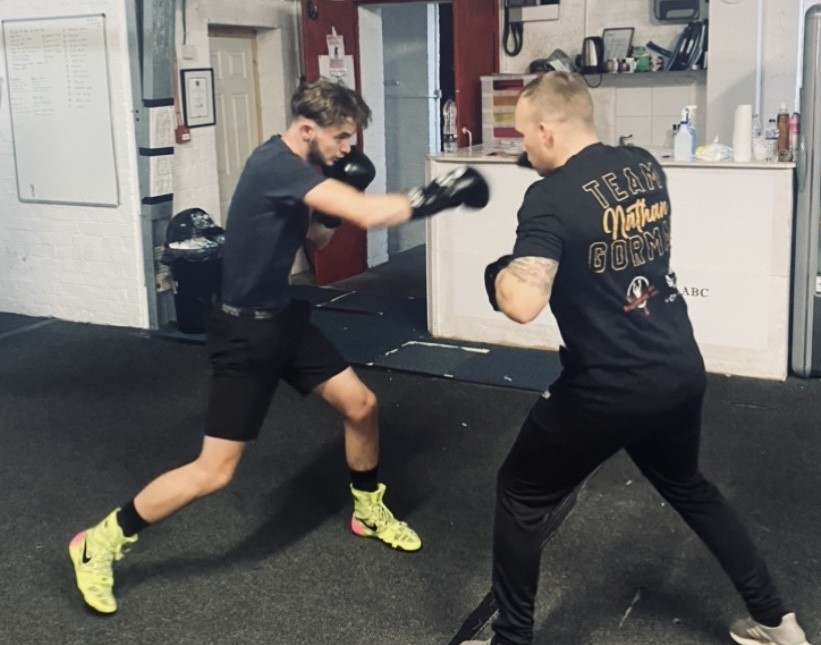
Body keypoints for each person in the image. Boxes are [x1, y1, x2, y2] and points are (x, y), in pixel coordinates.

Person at [69, 77, 489, 615]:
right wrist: (442, 191)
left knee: (361, 405)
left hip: (282, 319)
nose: (348, 149)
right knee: (213, 471)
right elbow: (370, 215)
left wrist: (333, 205)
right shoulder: (275, 166)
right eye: (341, 138)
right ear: (308, 129)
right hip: (243, 333)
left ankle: (367, 507)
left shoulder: (303, 171)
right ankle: (99, 541)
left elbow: (316, 239)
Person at [461, 72, 810, 645]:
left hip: (608, 385)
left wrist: (496, 271)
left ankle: (511, 639)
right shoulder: (643, 165)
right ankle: (778, 621)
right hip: (676, 366)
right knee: (689, 485)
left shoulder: (547, 198)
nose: (522, 146)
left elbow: (522, 304)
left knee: (521, 494)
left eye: (525, 135)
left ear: (546, 130)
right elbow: (601, 234)